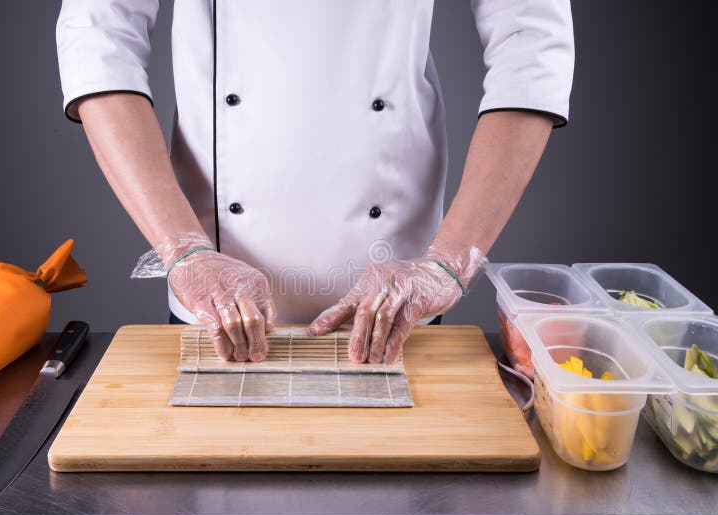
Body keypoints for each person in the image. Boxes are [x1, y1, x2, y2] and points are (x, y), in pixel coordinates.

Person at [56, 0, 574, 364]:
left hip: (396, 292)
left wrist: (448, 263)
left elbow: (531, 45)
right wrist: (182, 250)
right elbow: (98, 37)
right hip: (213, 289)